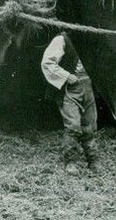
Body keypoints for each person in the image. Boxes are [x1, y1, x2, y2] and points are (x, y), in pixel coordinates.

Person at [41, 32, 99, 174]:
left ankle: (93, 161)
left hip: (87, 85)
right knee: (73, 126)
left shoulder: (90, 37)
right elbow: (47, 62)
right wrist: (66, 76)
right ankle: (70, 162)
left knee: (89, 125)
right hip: (70, 88)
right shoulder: (62, 39)